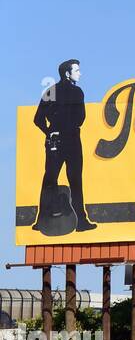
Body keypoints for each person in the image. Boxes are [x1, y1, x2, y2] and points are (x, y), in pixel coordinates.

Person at [33, 59, 97, 232]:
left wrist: (49, 131)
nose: (80, 73)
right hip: (72, 139)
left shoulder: (50, 91)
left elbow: (37, 119)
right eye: (77, 70)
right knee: (75, 181)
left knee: (49, 179)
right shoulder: (77, 92)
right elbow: (81, 118)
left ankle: (40, 220)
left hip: (55, 140)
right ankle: (81, 222)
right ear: (67, 74)